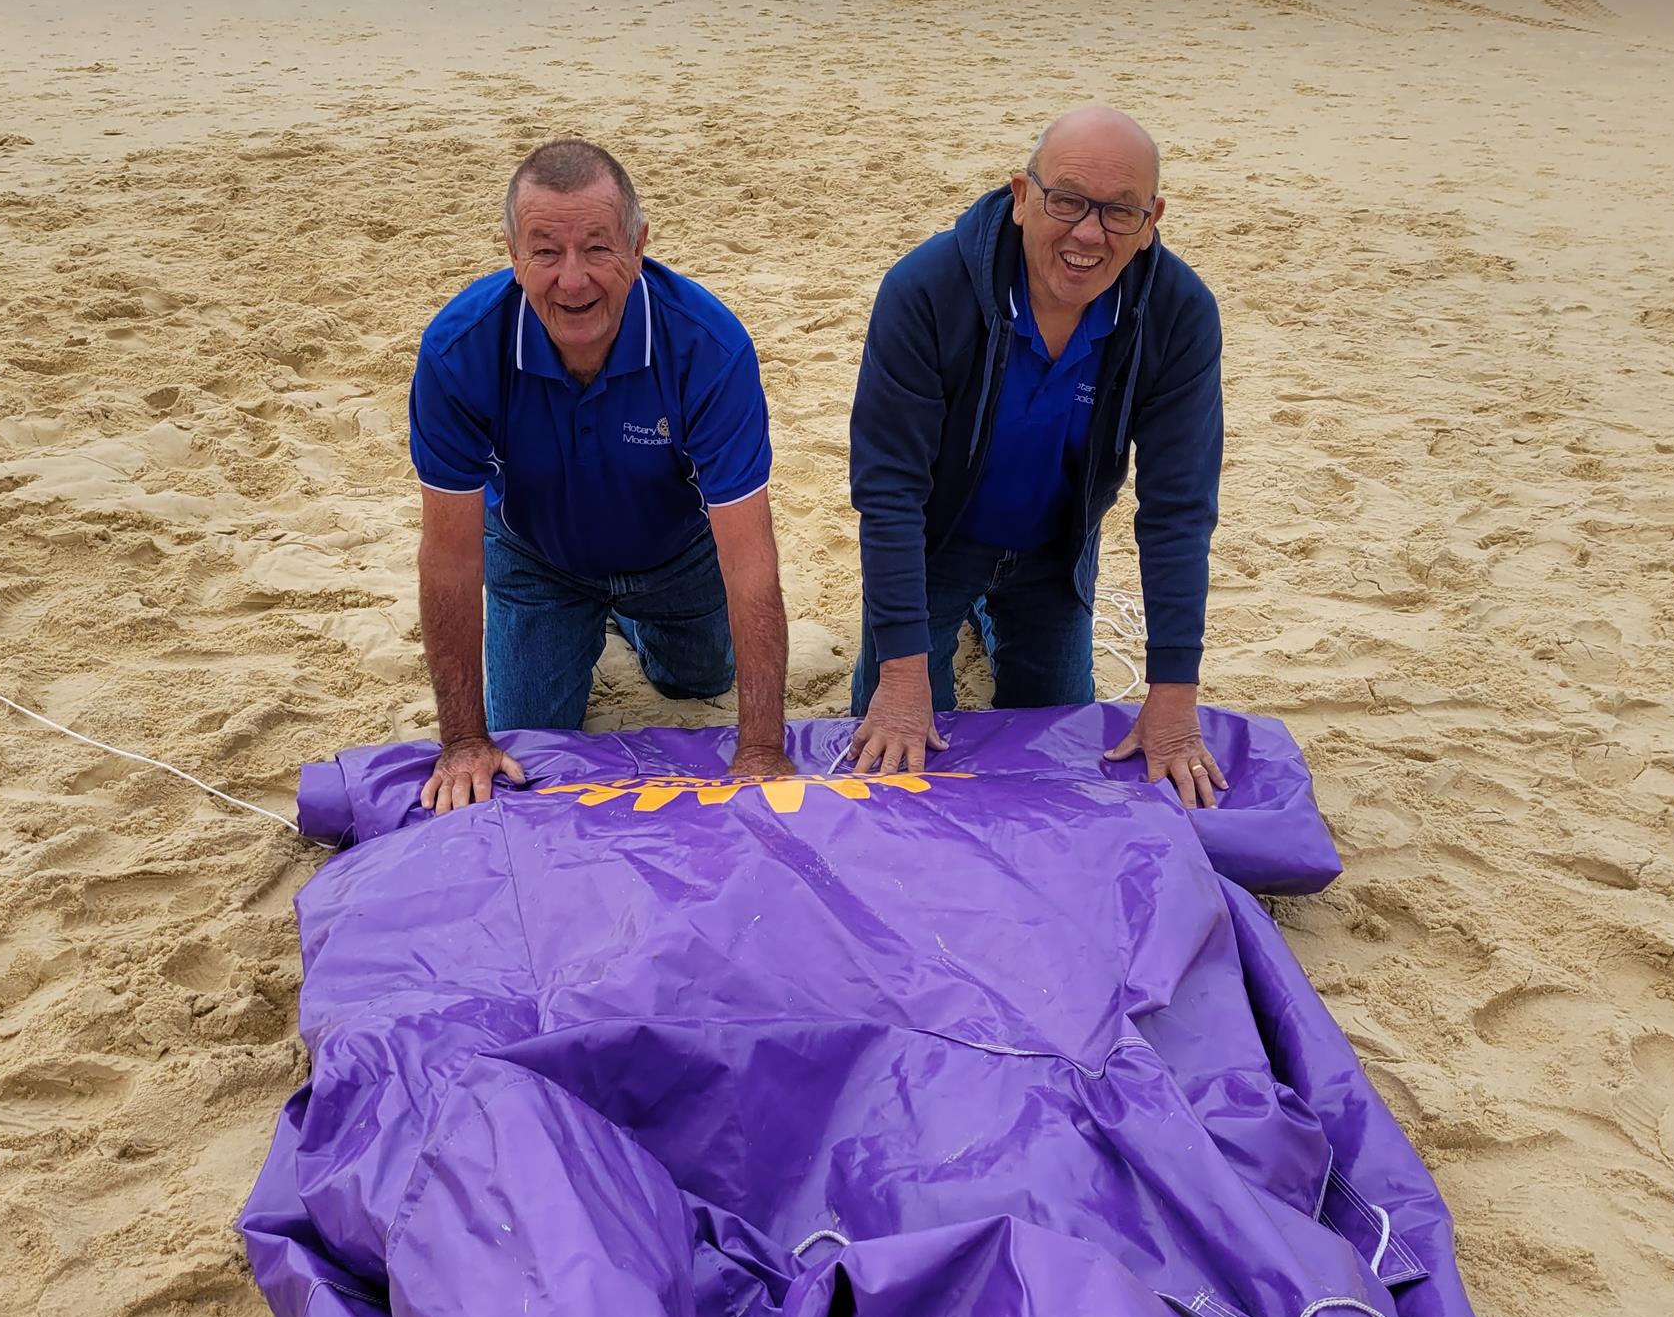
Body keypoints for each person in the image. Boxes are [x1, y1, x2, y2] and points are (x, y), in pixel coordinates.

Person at [847, 106, 1228, 806]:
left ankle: (991, 616)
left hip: (1056, 549)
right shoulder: (925, 289)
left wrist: (1174, 695)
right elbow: (889, 490)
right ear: (1022, 197)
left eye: (1120, 211)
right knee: (893, 751)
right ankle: (954, 614)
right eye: (1067, 200)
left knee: (1061, 741)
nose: (1089, 232)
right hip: (935, 542)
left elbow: (1178, 509)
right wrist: (900, 677)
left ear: (1151, 222)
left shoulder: (1180, 314)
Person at [410, 139, 792, 810]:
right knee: (530, 734)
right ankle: (579, 619)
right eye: (545, 252)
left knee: (700, 681)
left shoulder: (709, 346)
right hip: (537, 557)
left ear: (638, 246)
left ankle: (630, 623)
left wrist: (761, 750)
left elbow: (751, 555)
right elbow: (448, 559)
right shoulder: (457, 349)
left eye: (597, 247)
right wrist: (464, 741)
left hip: (676, 555)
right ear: (512, 255)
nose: (573, 279)